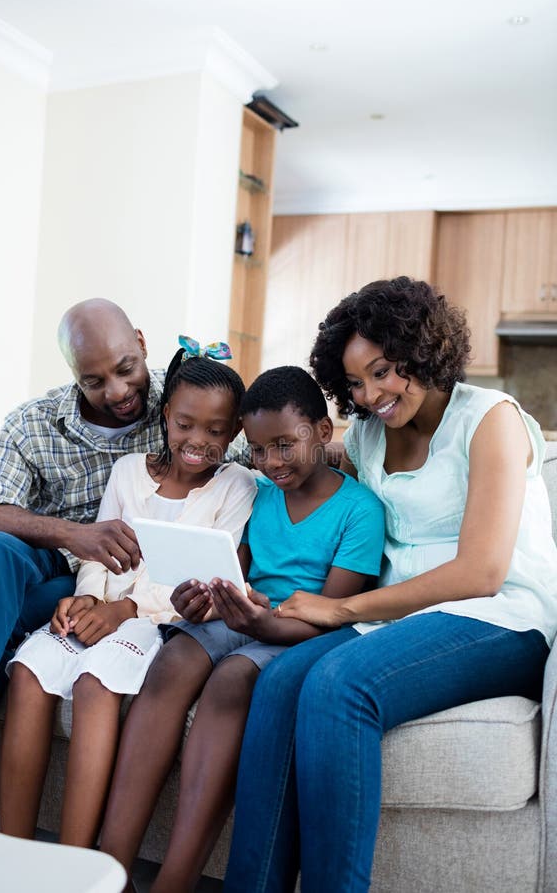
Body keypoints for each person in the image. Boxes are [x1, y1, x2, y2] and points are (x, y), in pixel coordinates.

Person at [224, 276, 557, 893]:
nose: (371, 394)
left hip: (500, 616)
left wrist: (339, 607)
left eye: (383, 371)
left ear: (421, 350)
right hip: (398, 620)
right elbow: (288, 458)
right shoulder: (369, 437)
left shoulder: (490, 419)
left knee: (339, 683)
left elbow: (481, 571)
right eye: (354, 382)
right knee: (277, 682)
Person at [98, 366, 385, 893]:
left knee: (232, 678)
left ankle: (174, 881)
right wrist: (204, 601)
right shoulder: (260, 491)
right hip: (247, 615)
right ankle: (108, 871)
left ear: (324, 433)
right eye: (257, 449)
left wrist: (264, 624)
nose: (272, 462)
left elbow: (334, 613)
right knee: (176, 658)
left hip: (306, 631)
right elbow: (237, 567)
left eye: (284, 445)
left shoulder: (360, 511)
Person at [0, 298, 247, 813]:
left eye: (125, 369)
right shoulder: (35, 424)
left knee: (7, 641)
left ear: (140, 342)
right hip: (45, 569)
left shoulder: (188, 399)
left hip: (108, 598)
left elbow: (263, 443)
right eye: (94, 381)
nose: (116, 391)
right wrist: (74, 535)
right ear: (73, 375)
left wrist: (333, 453)